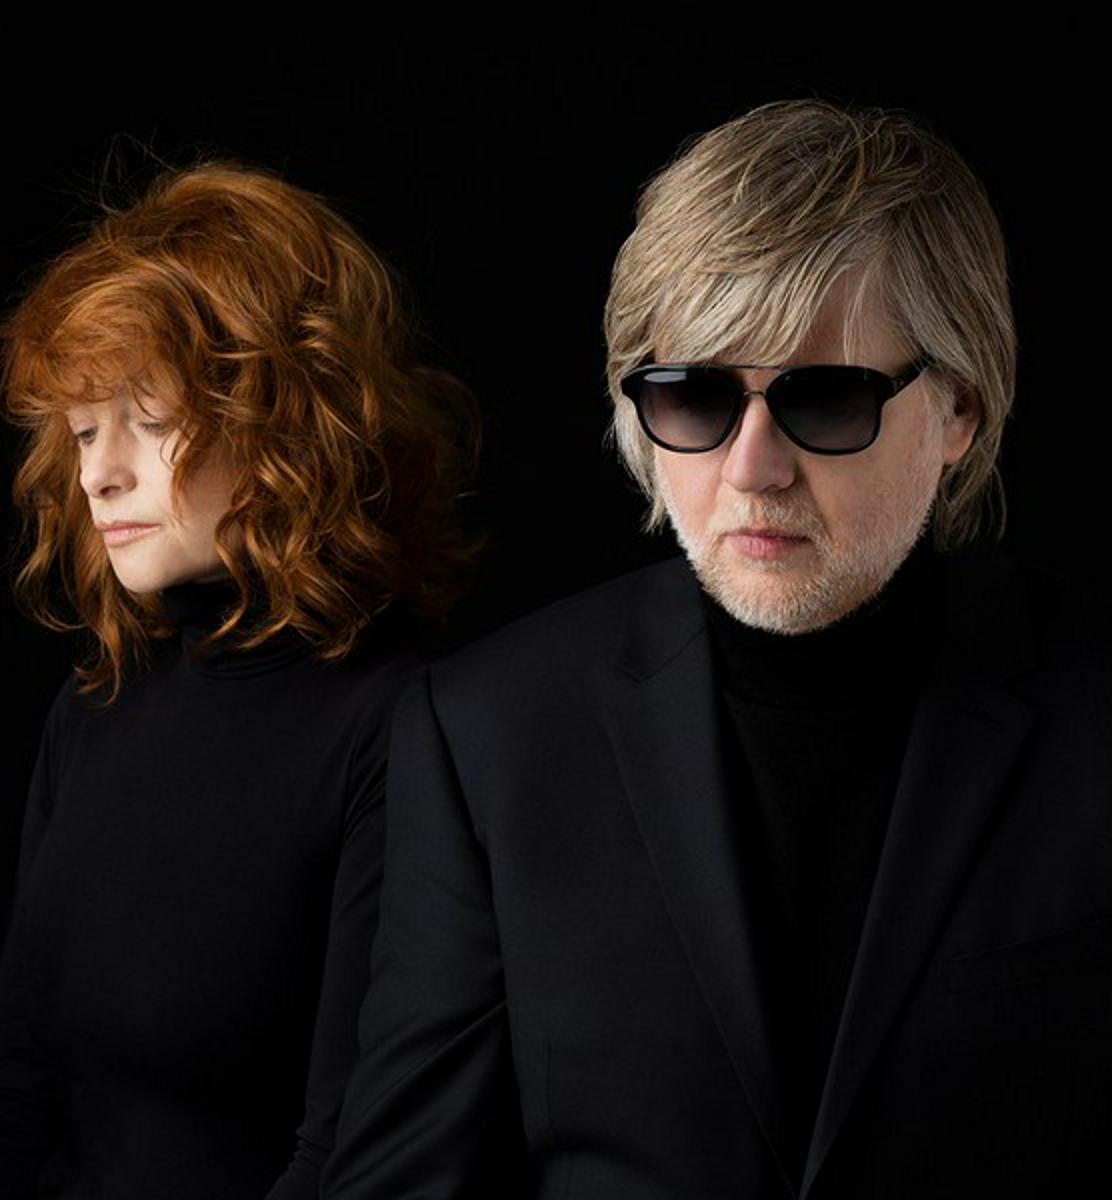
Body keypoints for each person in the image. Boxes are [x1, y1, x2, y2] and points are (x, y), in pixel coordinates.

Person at [320, 101, 1111, 1199]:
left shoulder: (1092, 720)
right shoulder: (490, 734)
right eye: (693, 396)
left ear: (960, 411)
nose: (751, 468)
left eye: (824, 399)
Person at [0, 162, 471, 1198]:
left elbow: (344, 1146)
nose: (99, 473)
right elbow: (9, 1077)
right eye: (84, 431)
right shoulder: (97, 706)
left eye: (148, 417)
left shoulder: (404, 722)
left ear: (282, 416)